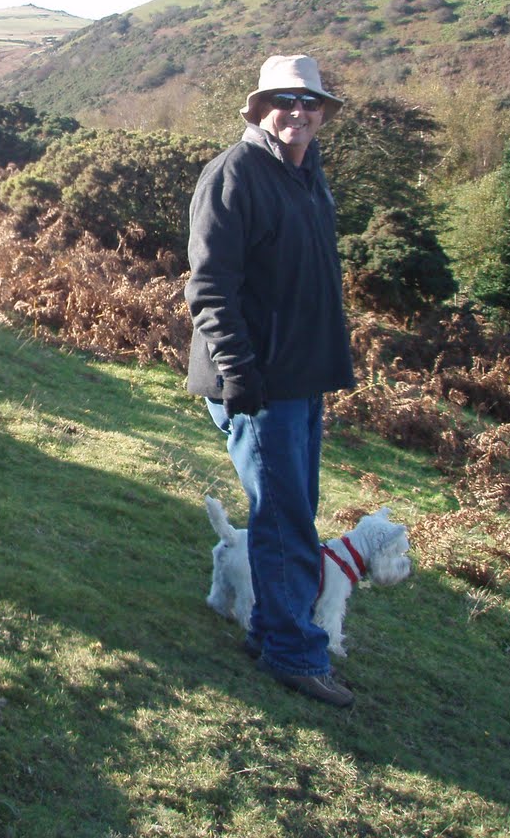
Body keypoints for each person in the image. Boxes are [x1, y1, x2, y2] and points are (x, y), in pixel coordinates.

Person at [184, 54, 357, 707]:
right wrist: (240, 373)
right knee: (287, 518)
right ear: (260, 109)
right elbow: (208, 288)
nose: (300, 112)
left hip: (300, 378)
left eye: (310, 102)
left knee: (292, 511)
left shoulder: (307, 176)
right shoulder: (235, 174)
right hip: (257, 383)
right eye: (285, 100)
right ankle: (293, 652)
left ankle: (269, 631)